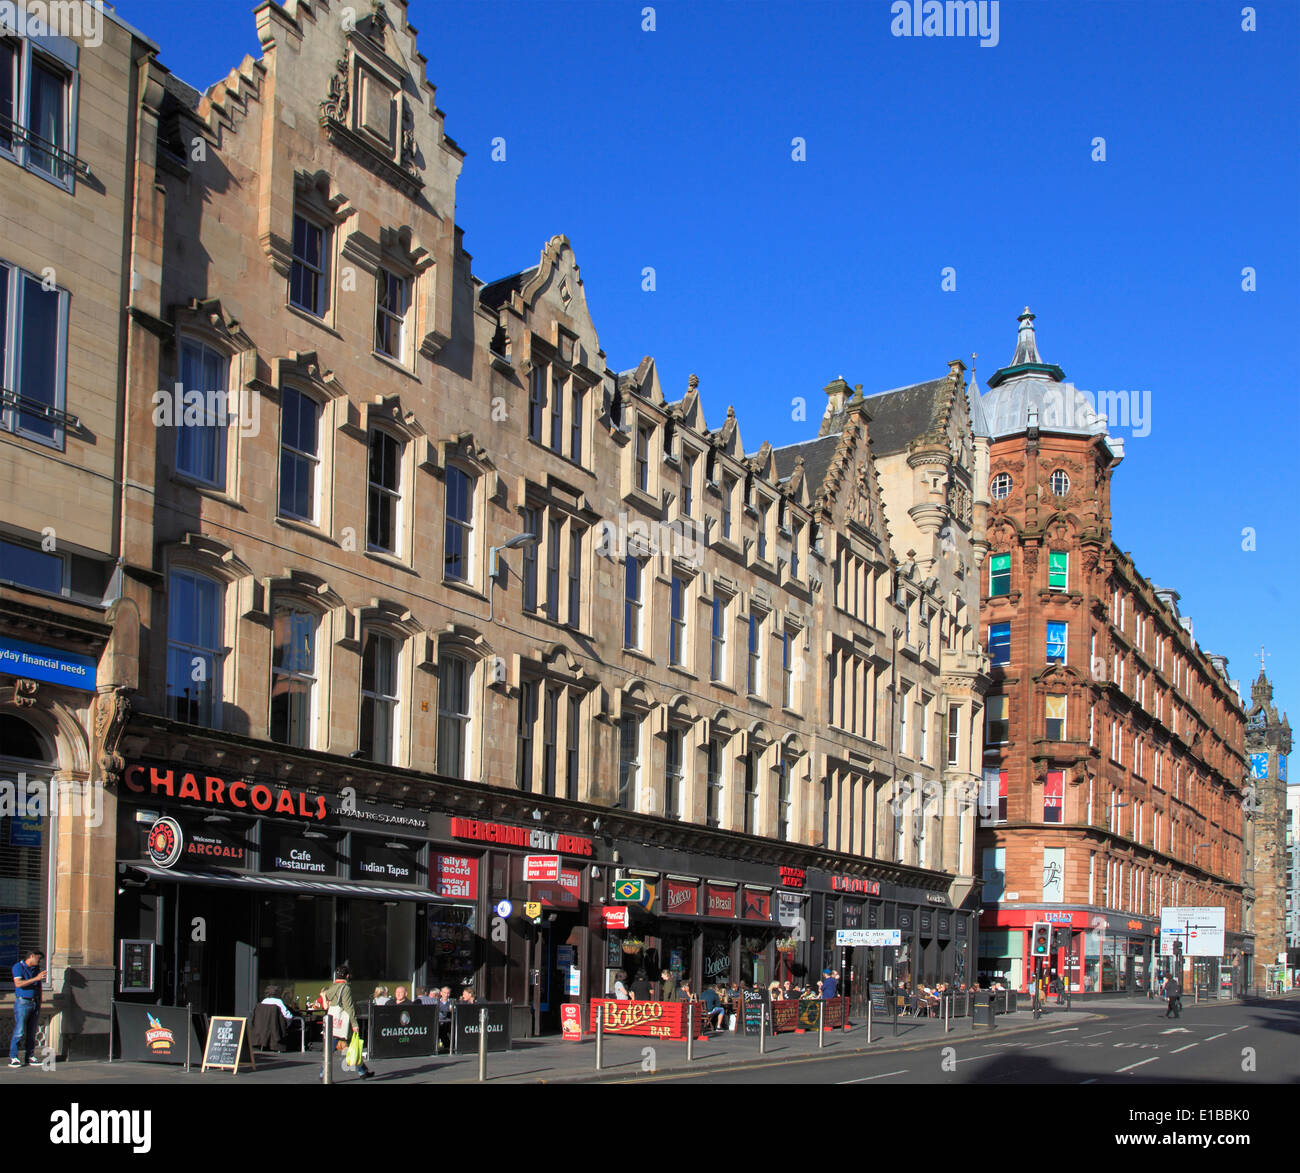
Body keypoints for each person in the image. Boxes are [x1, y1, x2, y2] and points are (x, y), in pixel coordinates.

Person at [321, 965, 374, 1080]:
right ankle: (323, 1074)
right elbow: (349, 1007)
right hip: (342, 1024)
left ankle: (362, 1071)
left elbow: (325, 996)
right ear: (348, 976)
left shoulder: (333, 987)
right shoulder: (345, 988)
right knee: (347, 1046)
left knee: (348, 1046)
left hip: (332, 1022)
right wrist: (354, 1024)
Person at [10, 948, 45, 1068]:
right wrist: (36, 978)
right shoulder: (18, 967)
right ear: (31, 956)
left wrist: (39, 1001)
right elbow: (18, 984)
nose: (39, 961)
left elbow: (38, 986)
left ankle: (30, 1056)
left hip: (34, 1002)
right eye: (38, 958)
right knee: (19, 1031)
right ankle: (13, 1057)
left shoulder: (36, 969)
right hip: (22, 1002)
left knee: (32, 1032)